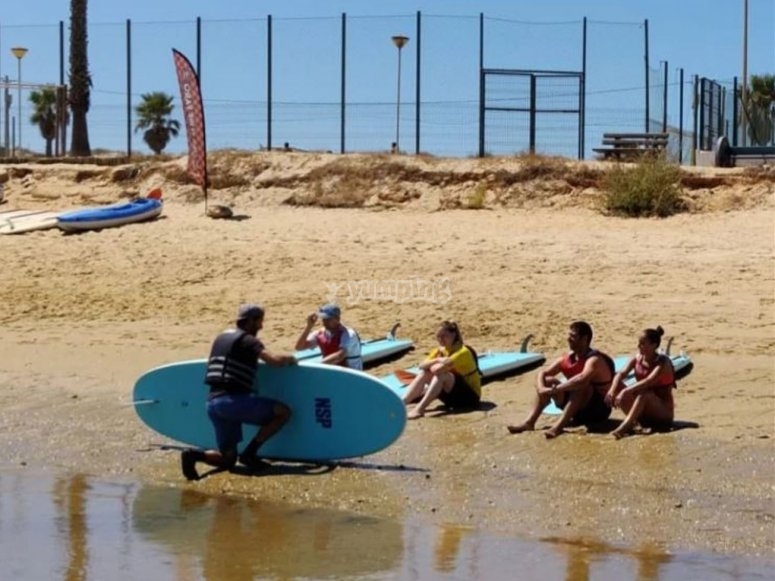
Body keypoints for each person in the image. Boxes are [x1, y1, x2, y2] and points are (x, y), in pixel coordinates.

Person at [180, 303, 296, 481]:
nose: (261, 326)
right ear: (250, 321)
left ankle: (193, 456)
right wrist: (290, 358)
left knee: (228, 460)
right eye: (259, 322)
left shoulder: (221, 338)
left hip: (212, 404)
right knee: (283, 412)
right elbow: (274, 360)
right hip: (232, 403)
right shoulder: (248, 340)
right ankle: (250, 454)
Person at [507, 321, 614, 439]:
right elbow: (542, 373)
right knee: (548, 380)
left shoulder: (595, 360)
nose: (569, 339)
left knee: (582, 386)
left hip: (597, 411)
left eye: (573, 336)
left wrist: (555, 390)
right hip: (577, 410)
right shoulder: (568, 357)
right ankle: (529, 422)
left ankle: (558, 427)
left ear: (584, 339)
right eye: (569, 335)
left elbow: (581, 379)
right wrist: (542, 388)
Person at [402, 320, 481, 420]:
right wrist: (438, 359)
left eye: (444, 336)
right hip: (451, 397)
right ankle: (401, 403)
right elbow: (421, 366)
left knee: (441, 375)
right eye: (438, 336)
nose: (441, 339)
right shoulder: (439, 351)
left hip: (469, 399)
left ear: (454, 334)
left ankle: (419, 409)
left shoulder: (462, 352)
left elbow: (437, 370)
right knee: (424, 373)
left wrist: (432, 364)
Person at [606, 326, 675, 439]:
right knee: (616, 381)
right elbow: (620, 374)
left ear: (654, 345)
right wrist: (612, 390)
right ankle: (634, 423)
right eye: (639, 343)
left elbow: (649, 381)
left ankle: (623, 429)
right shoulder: (637, 358)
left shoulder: (662, 362)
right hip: (643, 412)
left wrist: (625, 391)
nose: (638, 346)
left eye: (642, 344)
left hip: (663, 414)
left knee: (644, 394)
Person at [295, 304, 363, 370]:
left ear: (337, 319)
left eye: (328, 319)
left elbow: (339, 356)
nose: (324, 322)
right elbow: (299, 347)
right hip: (332, 373)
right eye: (323, 319)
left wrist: (318, 366)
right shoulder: (320, 333)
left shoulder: (349, 334)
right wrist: (309, 327)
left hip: (352, 376)